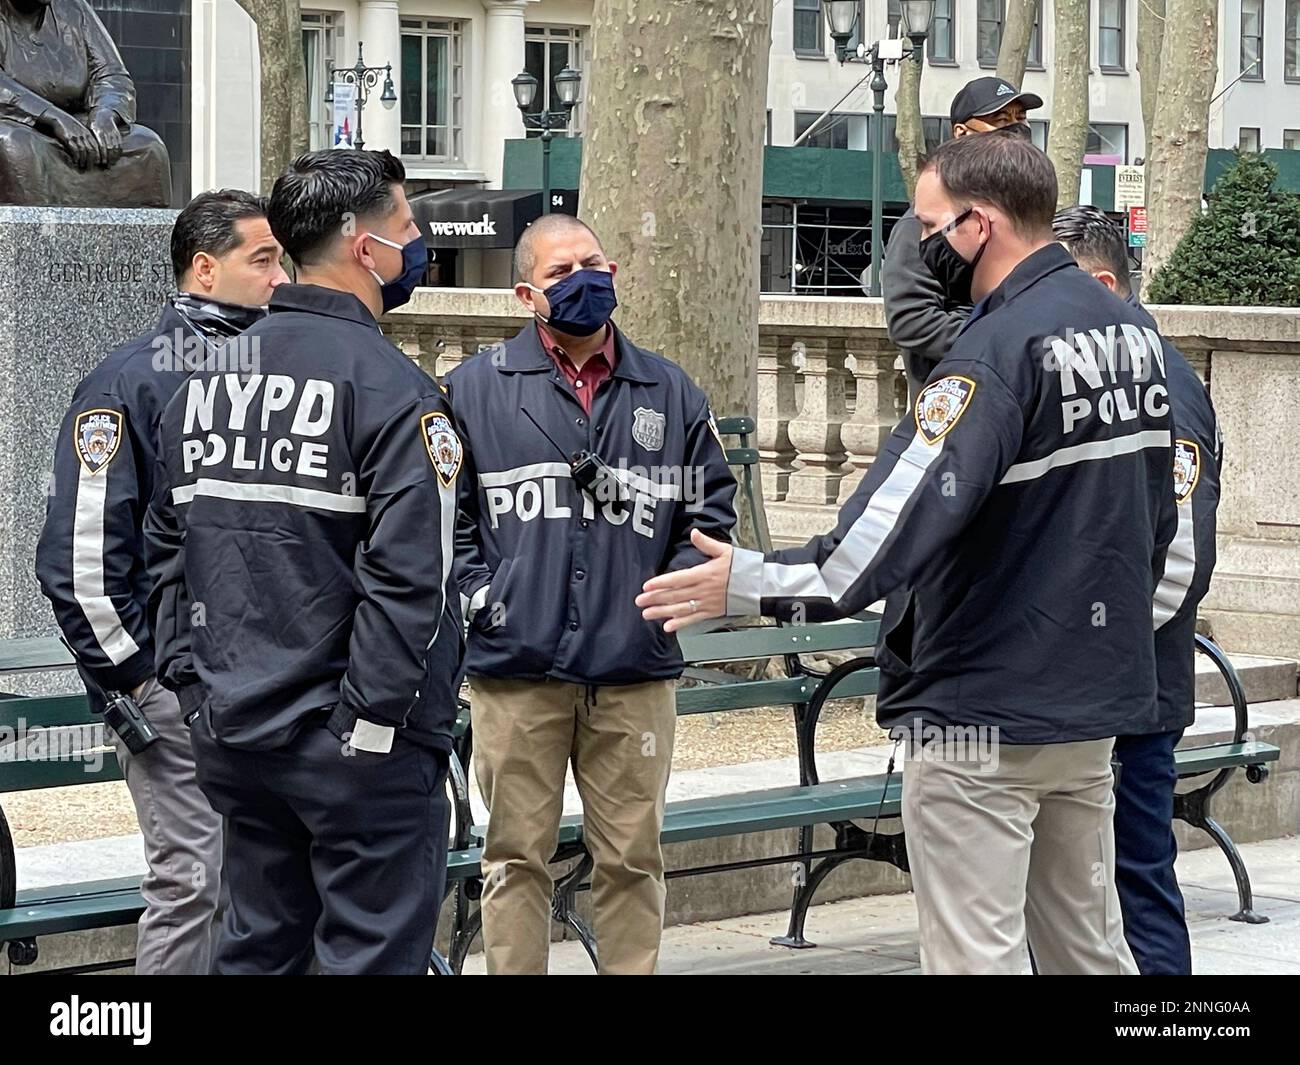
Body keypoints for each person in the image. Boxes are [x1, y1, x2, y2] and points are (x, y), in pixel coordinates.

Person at [639, 131, 1177, 975]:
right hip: (1093, 705)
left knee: (974, 954)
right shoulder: (1135, 336)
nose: (919, 248)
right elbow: (1154, 529)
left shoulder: (987, 360)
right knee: (1089, 950)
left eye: (929, 228)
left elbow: (873, 545)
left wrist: (746, 581)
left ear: (980, 224)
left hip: (976, 714)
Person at [145, 149, 460, 975]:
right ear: (362, 246)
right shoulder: (398, 393)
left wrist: (196, 692)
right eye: (405, 224)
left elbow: (166, 553)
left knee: (255, 951)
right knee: (368, 955)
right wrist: (372, 725)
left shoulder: (205, 382)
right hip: (353, 756)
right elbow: (415, 583)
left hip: (237, 739)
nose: (417, 240)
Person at [446, 212, 737, 974]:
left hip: (632, 670)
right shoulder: (473, 390)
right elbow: (448, 520)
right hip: (515, 672)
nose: (584, 280)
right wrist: (480, 593)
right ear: (524, 293)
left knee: (633, 859)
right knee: (513, 858)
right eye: (560, 273)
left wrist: (671, 595)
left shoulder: (670, 391)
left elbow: (709, 513)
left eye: (595, 264)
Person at [35, 188, 288, 973]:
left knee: (274, 885)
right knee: (194, 883)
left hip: (270, 683)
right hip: (177, 694)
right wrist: (142, 681)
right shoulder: (129, 384)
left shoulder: (283, 373)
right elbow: (78, 562)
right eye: (264, 259)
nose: (281, 277)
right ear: (205, 270)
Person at [1054, 204, 1222, 974]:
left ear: (1103, 285)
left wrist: (1084, 651)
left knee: (1135, 885)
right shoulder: (1109, 368)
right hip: (1101, 685)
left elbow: (1179, 557)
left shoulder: (1166, 382)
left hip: (1131, 690)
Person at [882, 76, 1043, 400]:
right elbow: (911, 321)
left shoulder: (1024, 217)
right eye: (1000, 121)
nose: (1015, 130)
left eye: (1020, 120)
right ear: (961, 133)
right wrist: (1006, 341)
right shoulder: (921, 225)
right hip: (952, 402)